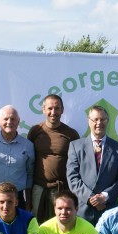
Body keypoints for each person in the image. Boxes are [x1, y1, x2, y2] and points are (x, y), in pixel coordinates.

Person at [65, 105, 118, 224]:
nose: (99, 123)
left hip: (109, 210)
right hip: (83, 211)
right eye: (95, 119)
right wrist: (90, 197)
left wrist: (104, 197)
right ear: (89, 121)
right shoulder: (75, 146)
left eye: (103, 119)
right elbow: (72, 178)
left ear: (107, 121)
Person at [28, 94, 80, 222]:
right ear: (43, 109)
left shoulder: (71, 134)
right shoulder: (35, 131)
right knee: (36, 223)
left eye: (57, 108)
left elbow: (78, 165)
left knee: (59, 223)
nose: (53, 112)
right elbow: (28, 161)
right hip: (38, 188)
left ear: (62, 110)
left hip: (61, 189)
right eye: (50, 108)